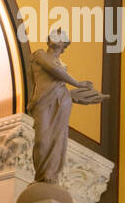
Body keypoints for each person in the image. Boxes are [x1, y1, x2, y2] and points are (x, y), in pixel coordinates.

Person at [28, 30, 107, 184]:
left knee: (58, 138)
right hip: (43, 101)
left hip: (63, 101)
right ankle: (40, 177)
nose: (55, 36)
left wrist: (83, 96)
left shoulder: (63, 65)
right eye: (53, 34)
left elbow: (60, 81)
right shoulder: (39, 55)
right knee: (42, 140)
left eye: (60, 35)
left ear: (64, 44)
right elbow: (53, 69)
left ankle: (50, 175)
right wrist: (78, 83)